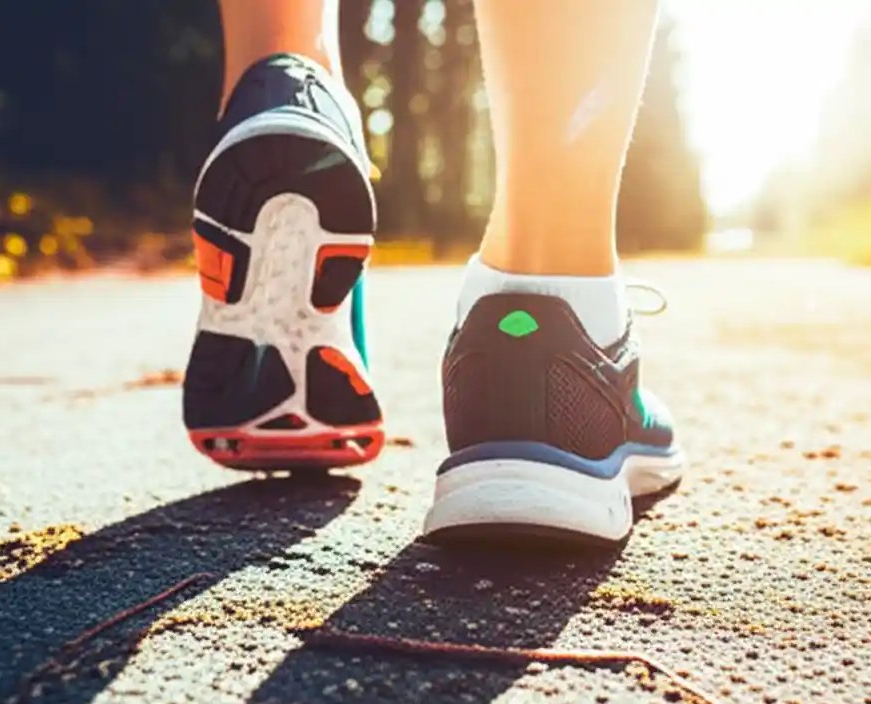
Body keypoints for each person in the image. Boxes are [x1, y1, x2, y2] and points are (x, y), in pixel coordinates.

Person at [183, 0, 683, 547]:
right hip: (570, 392)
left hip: (477, 384)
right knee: (549, 253)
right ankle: (558, 290)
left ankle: (283, 77)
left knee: (288, 54)